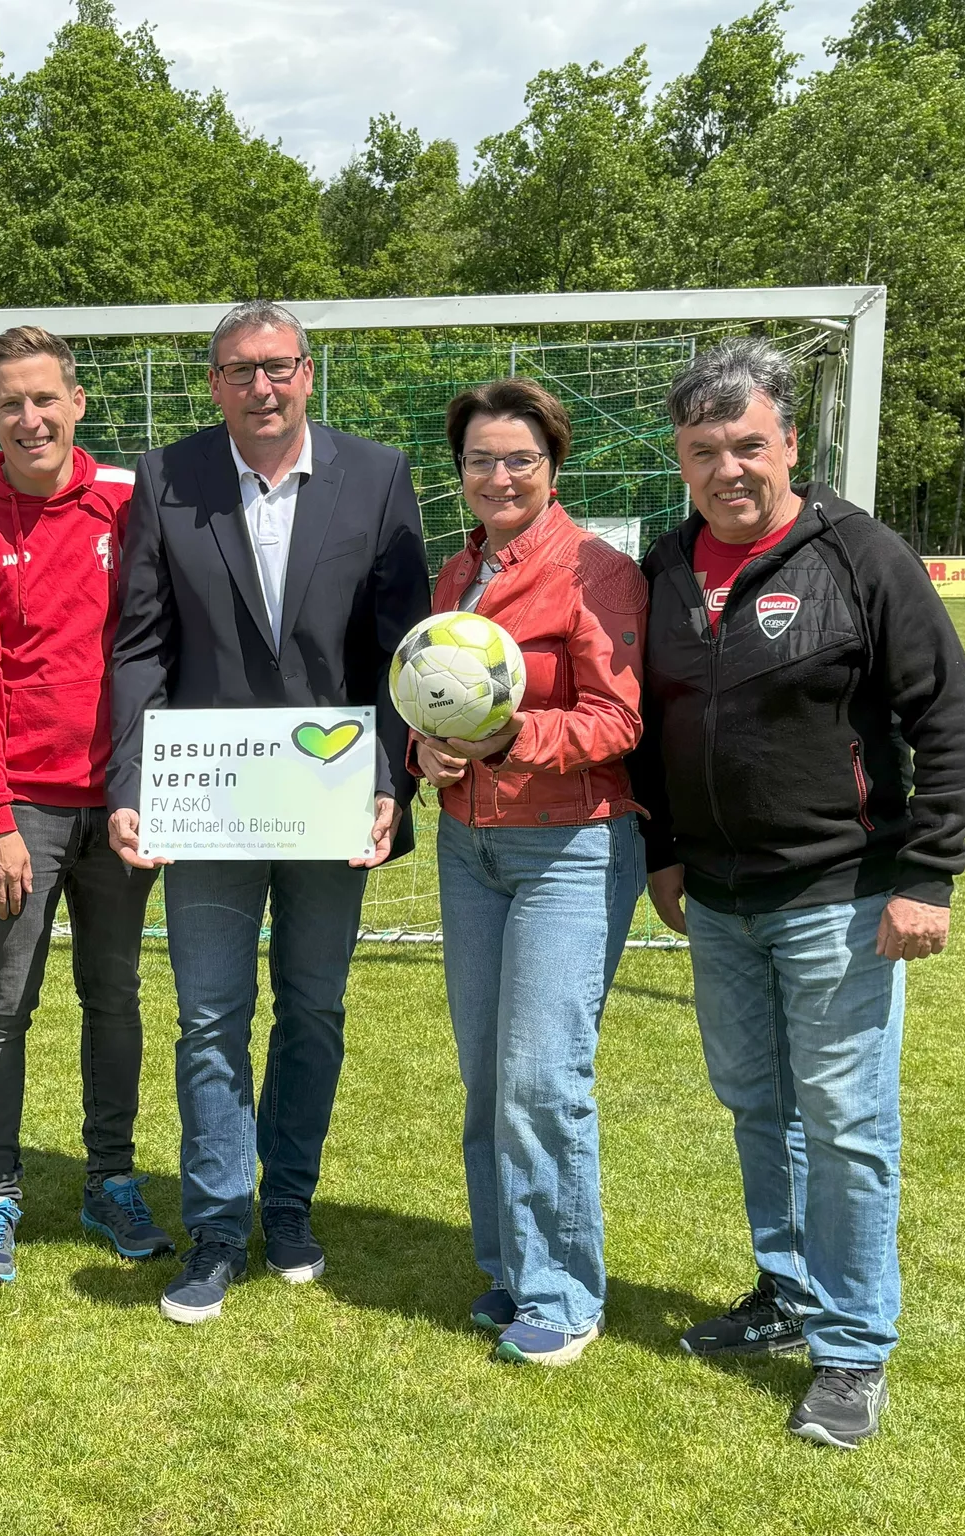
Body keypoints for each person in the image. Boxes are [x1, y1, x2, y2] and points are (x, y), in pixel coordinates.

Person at [629, 338, 965, 1447]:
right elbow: (652, 729)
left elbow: (950, 724)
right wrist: (664, 850)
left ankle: (852, 1348)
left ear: (790, 442)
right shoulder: (663, 565)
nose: (727, 469)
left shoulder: (859, 554)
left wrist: (926, 875)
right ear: (680, 460)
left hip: (840, 891)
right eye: (703, 451)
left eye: (747, 444)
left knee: (844, 1123)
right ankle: (787, 1291)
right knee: (756, 1105)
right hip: (719, 900)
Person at [109, 299, 431, 1325]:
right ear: (214, 384)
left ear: (306, 373)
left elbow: (402, 651)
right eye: (240, 369)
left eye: (278, 365)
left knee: (313, 1008)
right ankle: (214, 1228)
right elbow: (140, 648)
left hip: (329, 804)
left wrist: (390, 780)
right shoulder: (166, 478)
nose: (262, 385)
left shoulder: (376, 475)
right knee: (209, 1016)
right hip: (207, 802)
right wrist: (131, 785)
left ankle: (287, 1204)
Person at [408, 378, 648, 1368]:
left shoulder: (597, 570)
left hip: (569, 847)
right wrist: (426, 750)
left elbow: (619, 720)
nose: (498, 476)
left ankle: (561, 1295)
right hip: (469, 848)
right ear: (458, 470)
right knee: (486, 1075)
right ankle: (510, 1267)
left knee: (541, 1079)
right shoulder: (454, 573)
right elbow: (430, 700)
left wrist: (513, 739)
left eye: (519, 459)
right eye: (480, 460)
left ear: (553, 466)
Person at [0, 326, 168, 1288]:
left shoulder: (133, 499)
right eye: (9, 404)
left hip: (123, 802)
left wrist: (156, 784)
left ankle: (111, 1179)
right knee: (4, 1002)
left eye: (44, 399)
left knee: (115, 996)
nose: (29, 419)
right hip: (20, 803)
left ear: (77, 404)